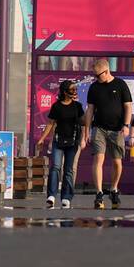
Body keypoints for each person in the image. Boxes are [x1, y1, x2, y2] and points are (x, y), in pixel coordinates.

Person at [83, 58, 134, 209]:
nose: (96, 78)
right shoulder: (94, 88)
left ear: (106, 72)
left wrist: (126, 125)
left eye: (98, 75)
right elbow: (90, 110)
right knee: (98, 159)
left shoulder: (120, 84)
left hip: (117, 129)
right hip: (99, 128)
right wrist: (86, 131)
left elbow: (128, 106)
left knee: (117, 162)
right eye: (95, 76)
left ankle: (113, 188)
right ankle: (99, 193)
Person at [36, 80, 84, 209]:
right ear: (64, 92)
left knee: (68, 170)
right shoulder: (57, 106)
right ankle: (51, 195)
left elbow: (83, 123)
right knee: (56, 167)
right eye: (72, 89)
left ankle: (66, 197)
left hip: (73, 142)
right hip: (59, 141)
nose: (74, 92)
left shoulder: (78, 106)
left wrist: (84, 138)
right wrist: (42, 139)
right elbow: (50, 124)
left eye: (75, 89)